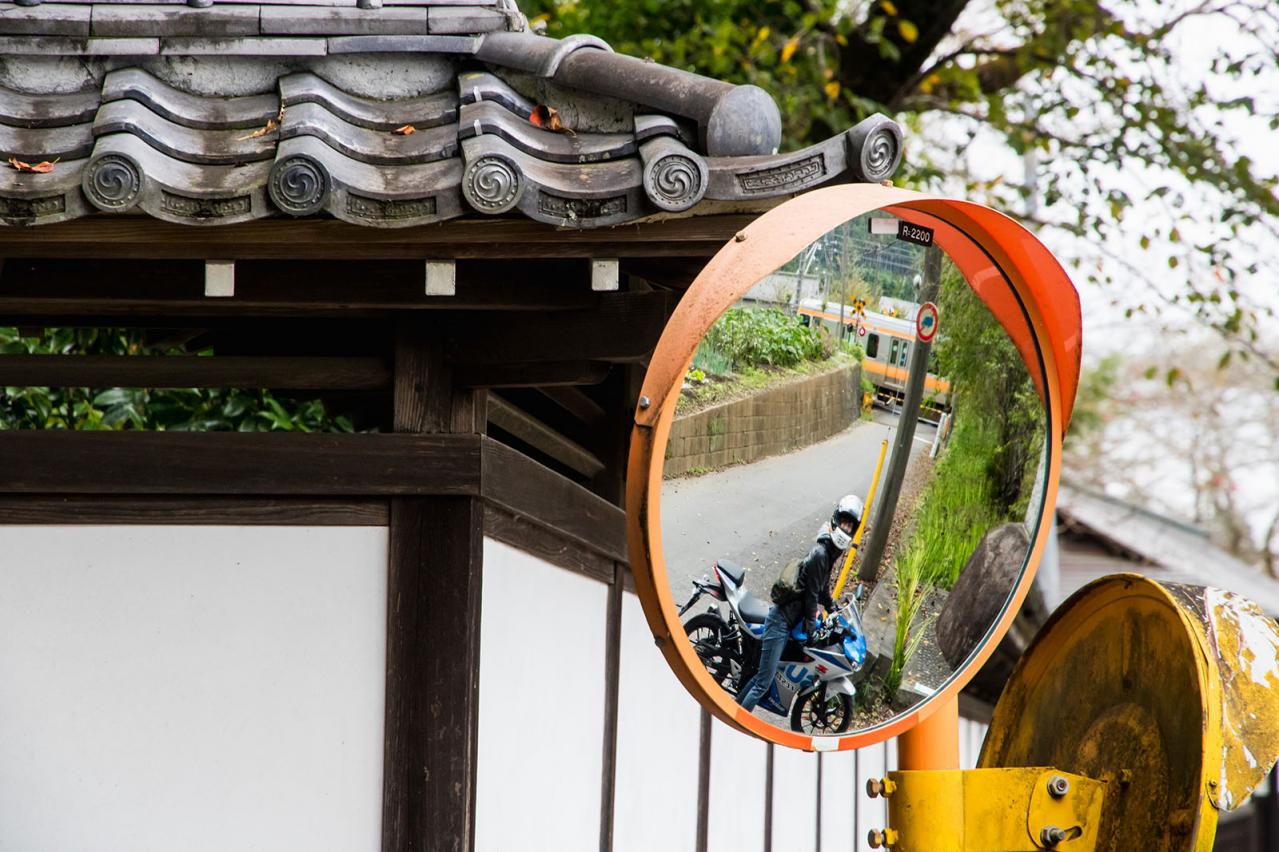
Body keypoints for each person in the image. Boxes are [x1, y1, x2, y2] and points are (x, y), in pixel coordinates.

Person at [736, 494, 864, 713]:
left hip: (791, 620)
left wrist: (832, 607)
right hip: (781, 621)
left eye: (850, 525)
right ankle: (735, 720)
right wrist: (811, 625)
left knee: (761, 677)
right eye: (843, 521)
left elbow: (822, 589)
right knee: (762, 683)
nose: (845, 527)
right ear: (835, 519)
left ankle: (735, 708)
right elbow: (811, 596)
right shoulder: (820, 554)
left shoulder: (831, 553)